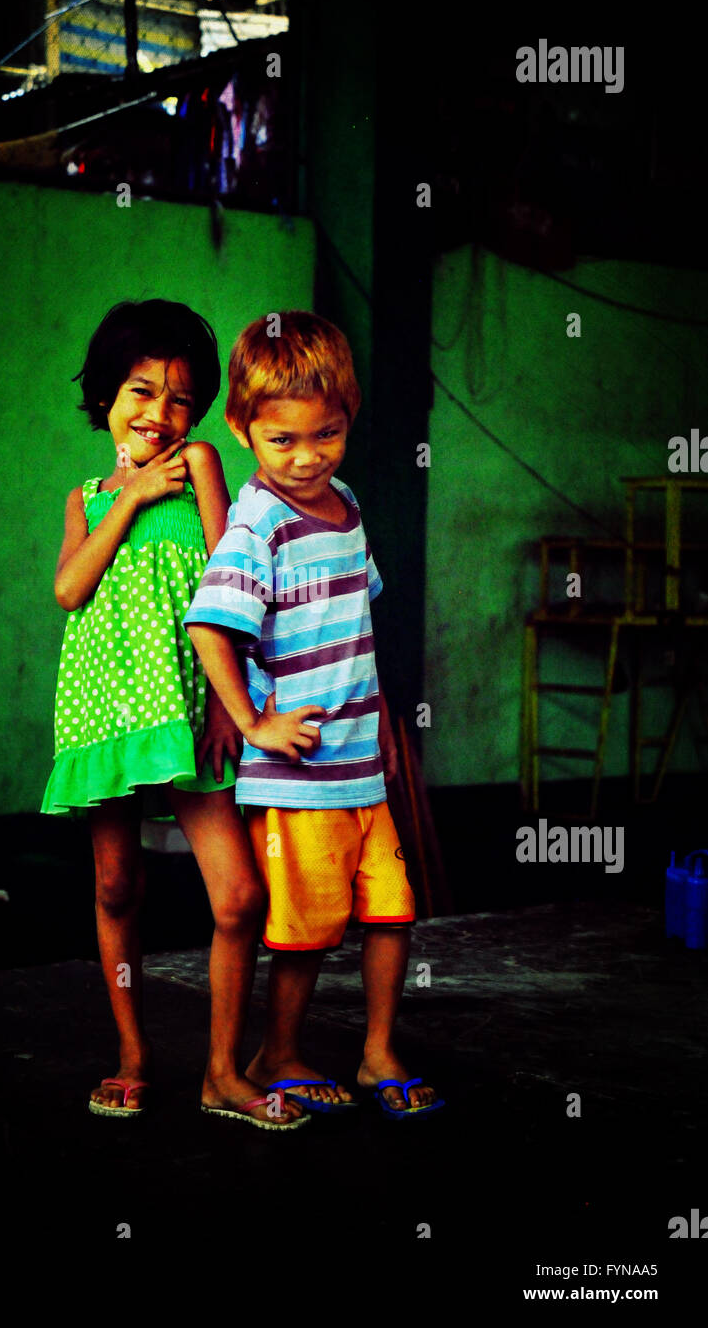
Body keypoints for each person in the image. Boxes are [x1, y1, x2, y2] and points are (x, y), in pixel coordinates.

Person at [40, 299, 307, 1130]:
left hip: (191, 709)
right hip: (103, 713)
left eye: (179, 398)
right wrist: (128, 495)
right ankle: (132, 1056)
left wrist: (237, 703)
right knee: (117, 884)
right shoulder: (85, 496)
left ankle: (221, 1071)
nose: (158, 413)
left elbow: (233, 587)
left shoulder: (197, 465)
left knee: (236, 897)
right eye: (139, 391)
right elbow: (68, 590)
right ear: (106, 399)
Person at [184, 310, 445, 1119]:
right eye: (282, 441)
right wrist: (253, 722)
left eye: (324, 436)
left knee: (391, 913)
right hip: (296, 775)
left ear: (349, 417)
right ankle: (282, 1052)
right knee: (302, 931)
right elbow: (208, 626)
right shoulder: (255, 521)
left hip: (363, 761)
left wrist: (389, 725)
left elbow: (361, 626)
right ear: (241, 429)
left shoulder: (350, 504)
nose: (306, 458)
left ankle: (375, 1053)